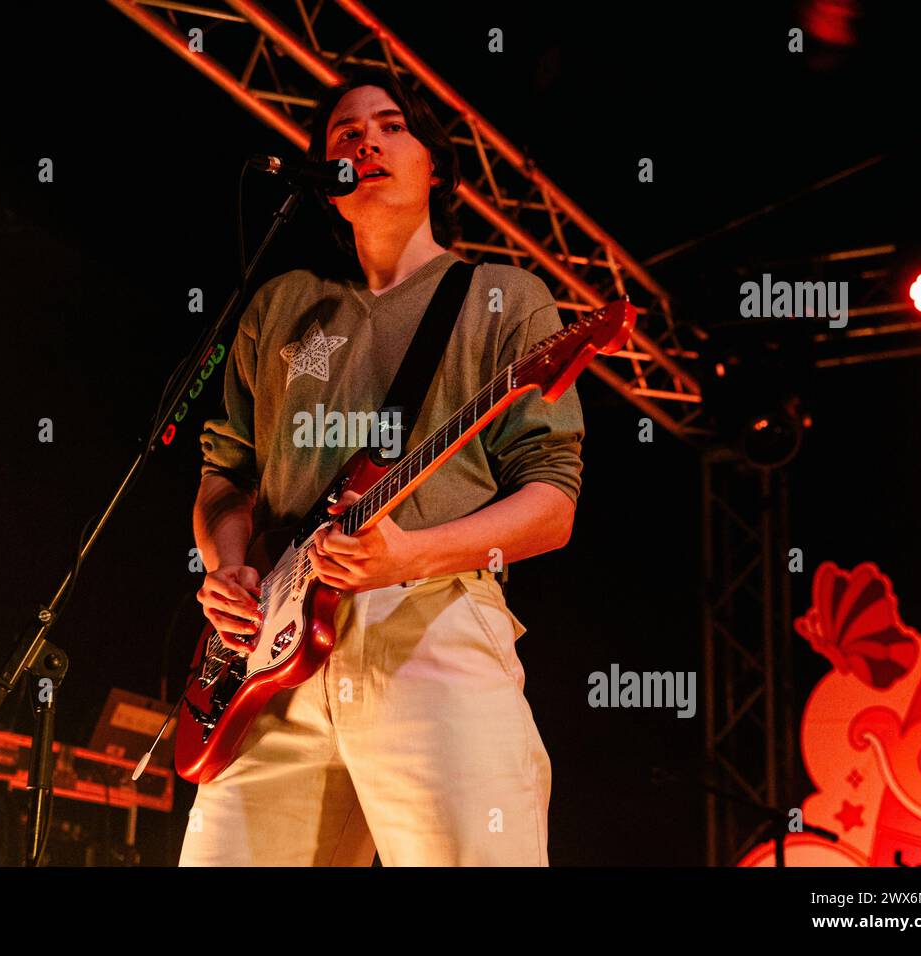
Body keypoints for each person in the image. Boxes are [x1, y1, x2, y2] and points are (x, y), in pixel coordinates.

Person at [181, 67, 585, 866]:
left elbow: (552, 505)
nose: (365, 138)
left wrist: (411, 555)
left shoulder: (504, 296)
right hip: (271, 662)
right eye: (344, 131)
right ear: (326, 180)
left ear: (437, 165)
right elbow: (225, 473)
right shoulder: (281, 305)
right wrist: (226, 565)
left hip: (431, 626)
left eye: (393, 125)